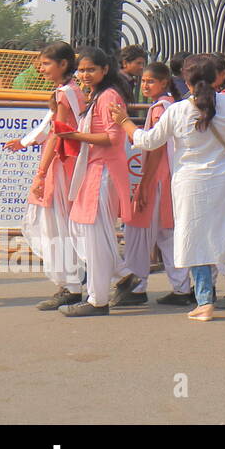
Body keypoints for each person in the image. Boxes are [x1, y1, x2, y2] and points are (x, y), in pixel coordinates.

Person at [112, 56, 225, 320]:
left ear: (186, 79)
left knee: (195, 237)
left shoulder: (177, 110)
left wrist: (125, 122)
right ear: (217, 77)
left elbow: (148, 141)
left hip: (190, 183)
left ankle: (204, 302)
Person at [53, 48, 133, 317]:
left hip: (103, 171)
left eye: (90, 70)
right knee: (85, 229)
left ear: (104, 70)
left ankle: (98, 300)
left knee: (94, 235)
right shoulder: (97, 95)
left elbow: (113, 137)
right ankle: (122, 273)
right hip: (94, 170)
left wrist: (76, 135)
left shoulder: (108, 96)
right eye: (82, 70)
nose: (85, 75)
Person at [6, 43, 85, 310]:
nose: (42, 69)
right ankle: (70, 282)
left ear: (63, 64)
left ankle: (72, 285)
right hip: (64, 163)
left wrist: (41, 173)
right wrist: (27, 141)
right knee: (57, 223)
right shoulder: (68, 91)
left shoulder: (66, 94)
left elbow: (57, 134)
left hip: (61, 164)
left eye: (47, 63)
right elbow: (49, 128)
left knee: (55, 224)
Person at [114, 61, 193, 307]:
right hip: (169, 177)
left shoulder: (160, 108)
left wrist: (145, 184)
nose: (145, 85)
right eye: (144, 81)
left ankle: (136, 285)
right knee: (167, 234)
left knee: (138, 232)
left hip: (157, 178)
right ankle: (181, 287)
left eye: (151, 81)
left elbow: (155, 146)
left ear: (164, 83)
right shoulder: (171, 105)